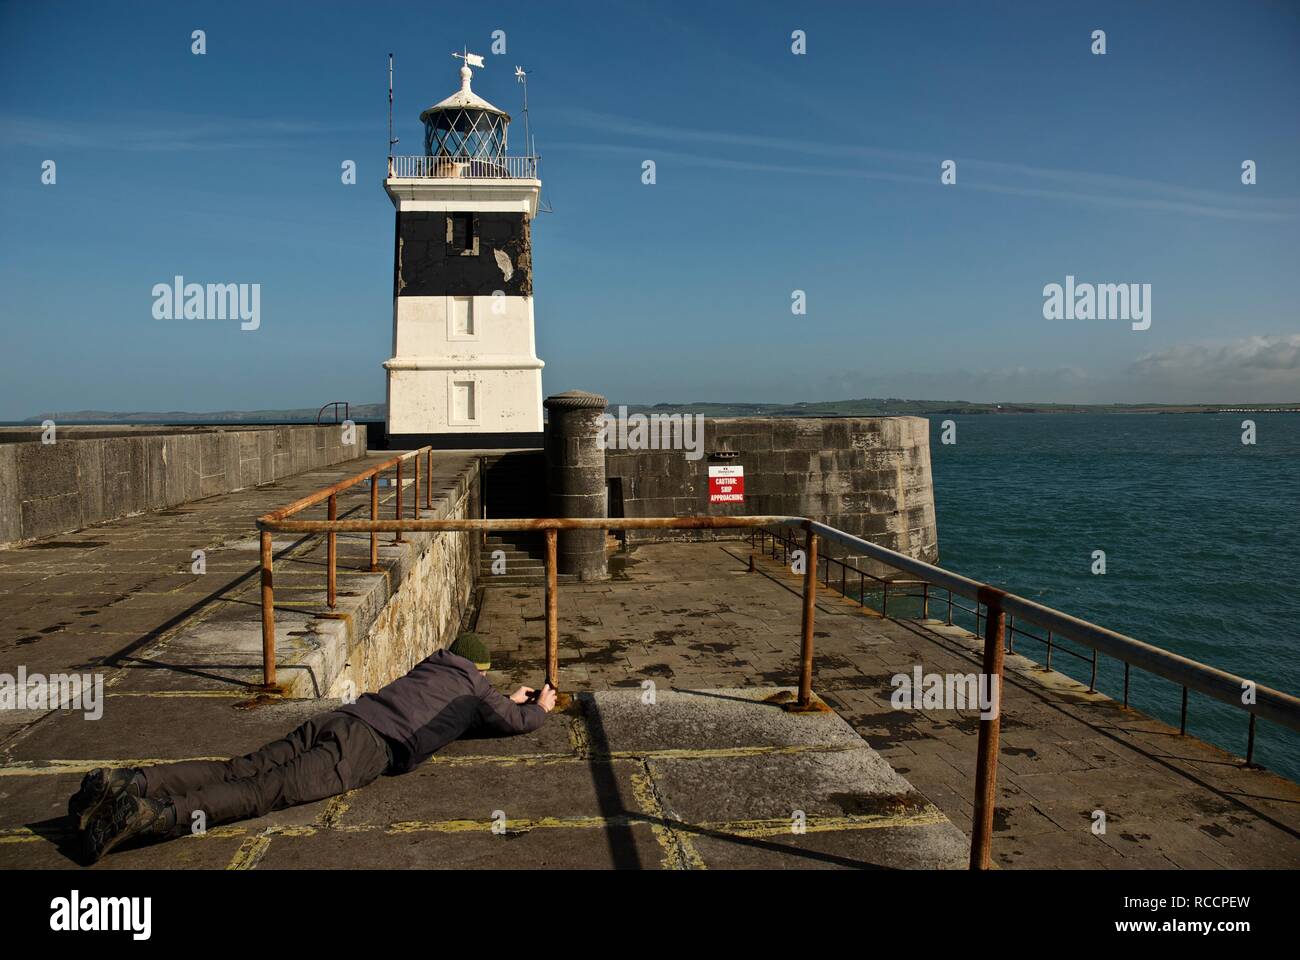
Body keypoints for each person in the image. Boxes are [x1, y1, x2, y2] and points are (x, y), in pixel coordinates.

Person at [72, 633, 556, 862]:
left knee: (239, 766)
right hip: (366, 749)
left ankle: (132, 781)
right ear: (483, 669)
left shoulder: (434, 666)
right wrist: (541, 706)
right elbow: (514, 720)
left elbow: (453, 708)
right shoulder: (476, 690)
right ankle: (154, 814)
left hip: (341, 719)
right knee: (265, 791)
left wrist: (496, 699)